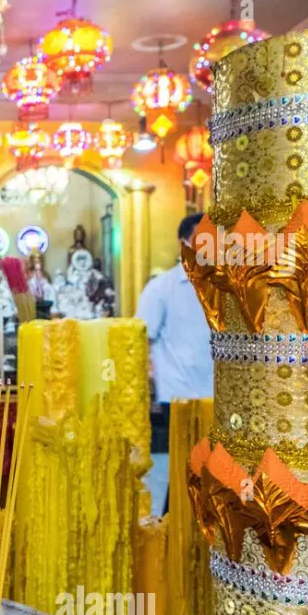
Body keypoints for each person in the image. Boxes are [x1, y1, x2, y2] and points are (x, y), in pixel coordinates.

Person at [137, 212, 214, 511]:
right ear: (184, 242)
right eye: (202, 239)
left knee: (215, 469)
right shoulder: (162, 288)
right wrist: (149, 385)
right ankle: (176, 528)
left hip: (218, 393)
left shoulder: (226, 285)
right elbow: (142, 337)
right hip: (179, 394)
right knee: (186, 468)